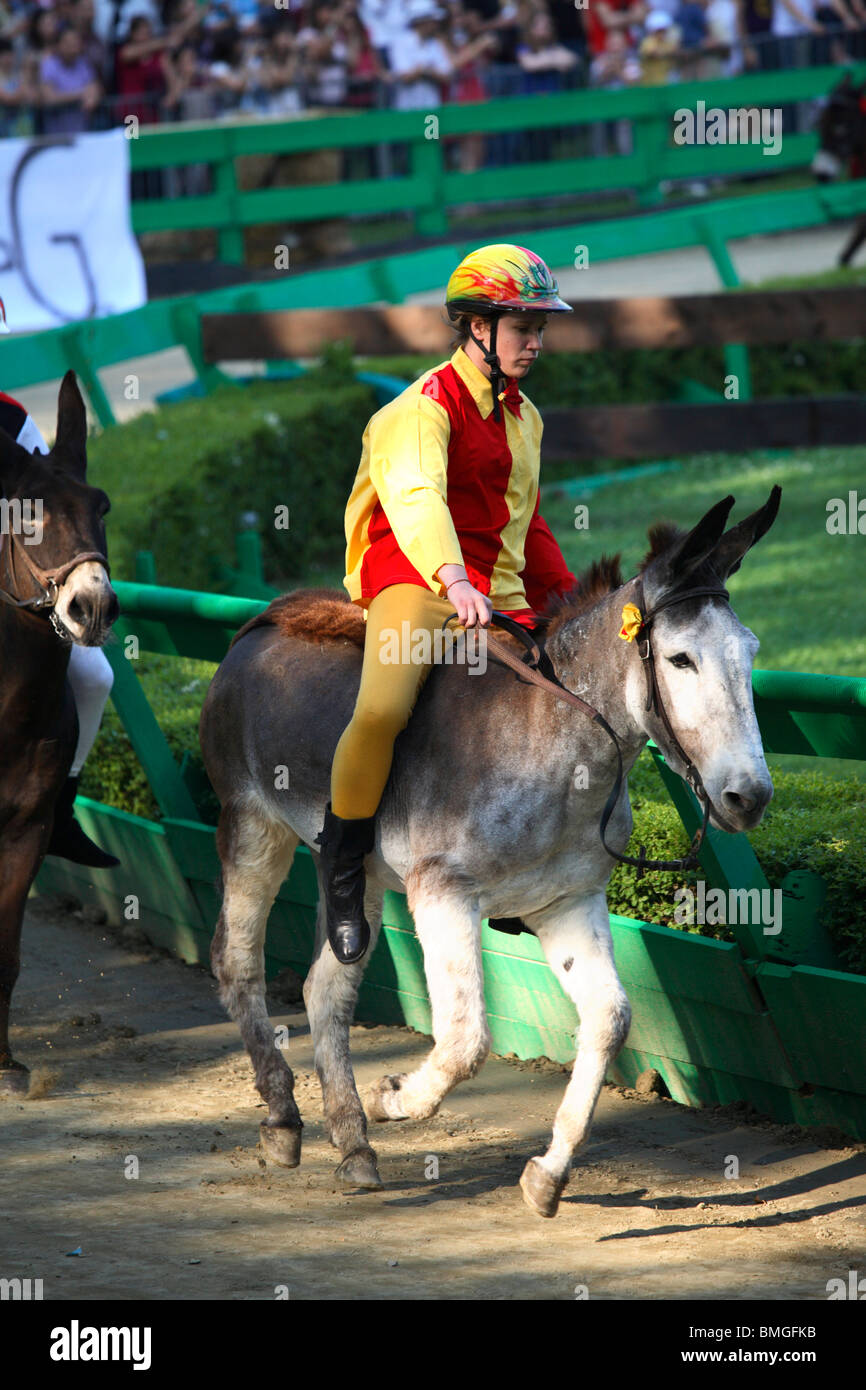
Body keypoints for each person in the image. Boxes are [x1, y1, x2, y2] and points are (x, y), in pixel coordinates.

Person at [315, 244, 578, 964]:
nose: (534, 342)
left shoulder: (527, 418)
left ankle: (515, 866)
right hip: (412, 575)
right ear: (475, 327)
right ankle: (341, 864)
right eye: (522, 326)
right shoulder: (420, 408)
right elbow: (415, 497)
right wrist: (453, 579)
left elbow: (530, 519)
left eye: (540, 328)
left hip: (494, 587)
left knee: (568, 696)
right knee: (382, 709)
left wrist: (568, 600)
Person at [0, 300, 118, 869]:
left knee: (94, 673)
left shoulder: (12, 417)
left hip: (12, 585)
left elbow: (45, 498)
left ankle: (60, 808)